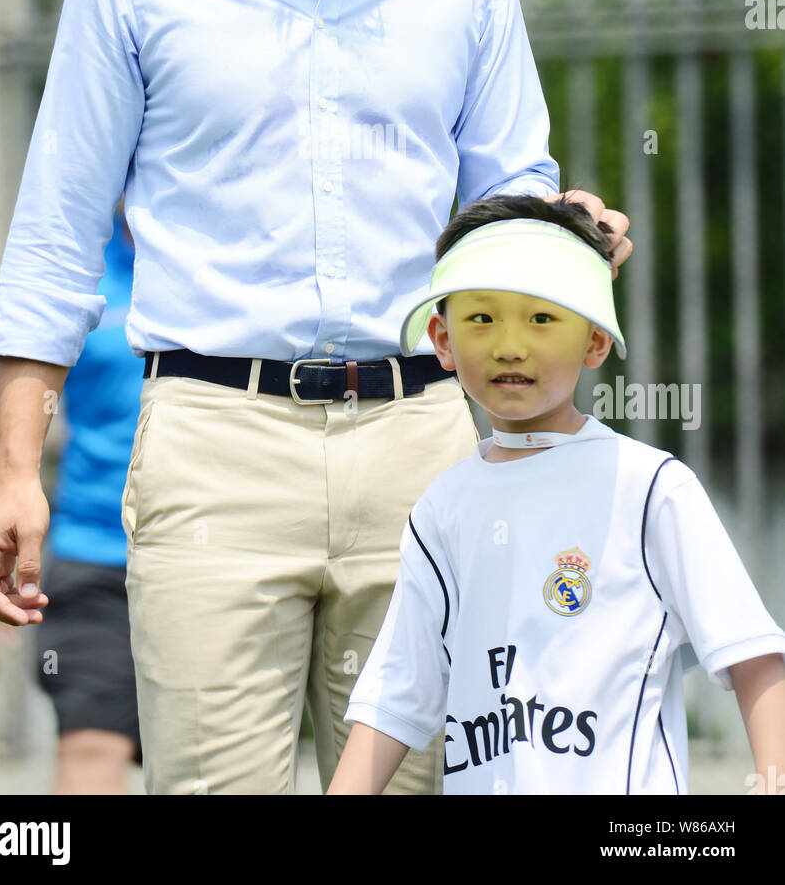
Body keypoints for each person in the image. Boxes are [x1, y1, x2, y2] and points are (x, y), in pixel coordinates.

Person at [0, 0, 631, 796]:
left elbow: (504, 203)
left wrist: (558, 229)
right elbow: (56, 236)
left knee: (433, 787)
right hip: (213, 447)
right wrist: (16, 469)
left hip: (424, 441)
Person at [327, 194, 785, 794]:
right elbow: (394, 698)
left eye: (541, 318)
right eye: (482, 319)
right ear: (441, 339)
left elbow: (751, 655)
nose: (509, 346)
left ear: (595, 341)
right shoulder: (441, 508)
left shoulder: (649, 487)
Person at [0, 200, 142, 794]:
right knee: (89, 745)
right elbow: (2, 421)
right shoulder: (82, 269)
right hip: (94, 552)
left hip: (219, 549)